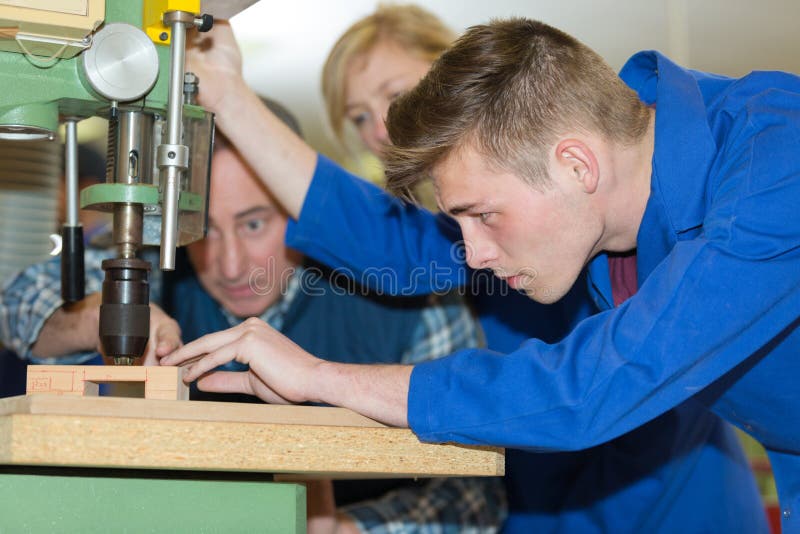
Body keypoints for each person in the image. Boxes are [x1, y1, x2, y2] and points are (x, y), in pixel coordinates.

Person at [167, 11, 770, 534]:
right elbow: (394, 242)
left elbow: (589, 385)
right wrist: (229, 97)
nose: (472, 254)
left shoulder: (768, 168)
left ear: (577, 165)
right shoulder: (570, 202)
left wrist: (321, 378)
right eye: (358, 116)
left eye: (483, 215)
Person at [0, 101, 505, 533]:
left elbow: (477, 492)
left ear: (301, 206)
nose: (229, 263)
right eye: (207, 230)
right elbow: (19, 303)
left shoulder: (411, 295)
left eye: (255, 223)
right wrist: (106, 316)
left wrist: (350, 527)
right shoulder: (164, 264)